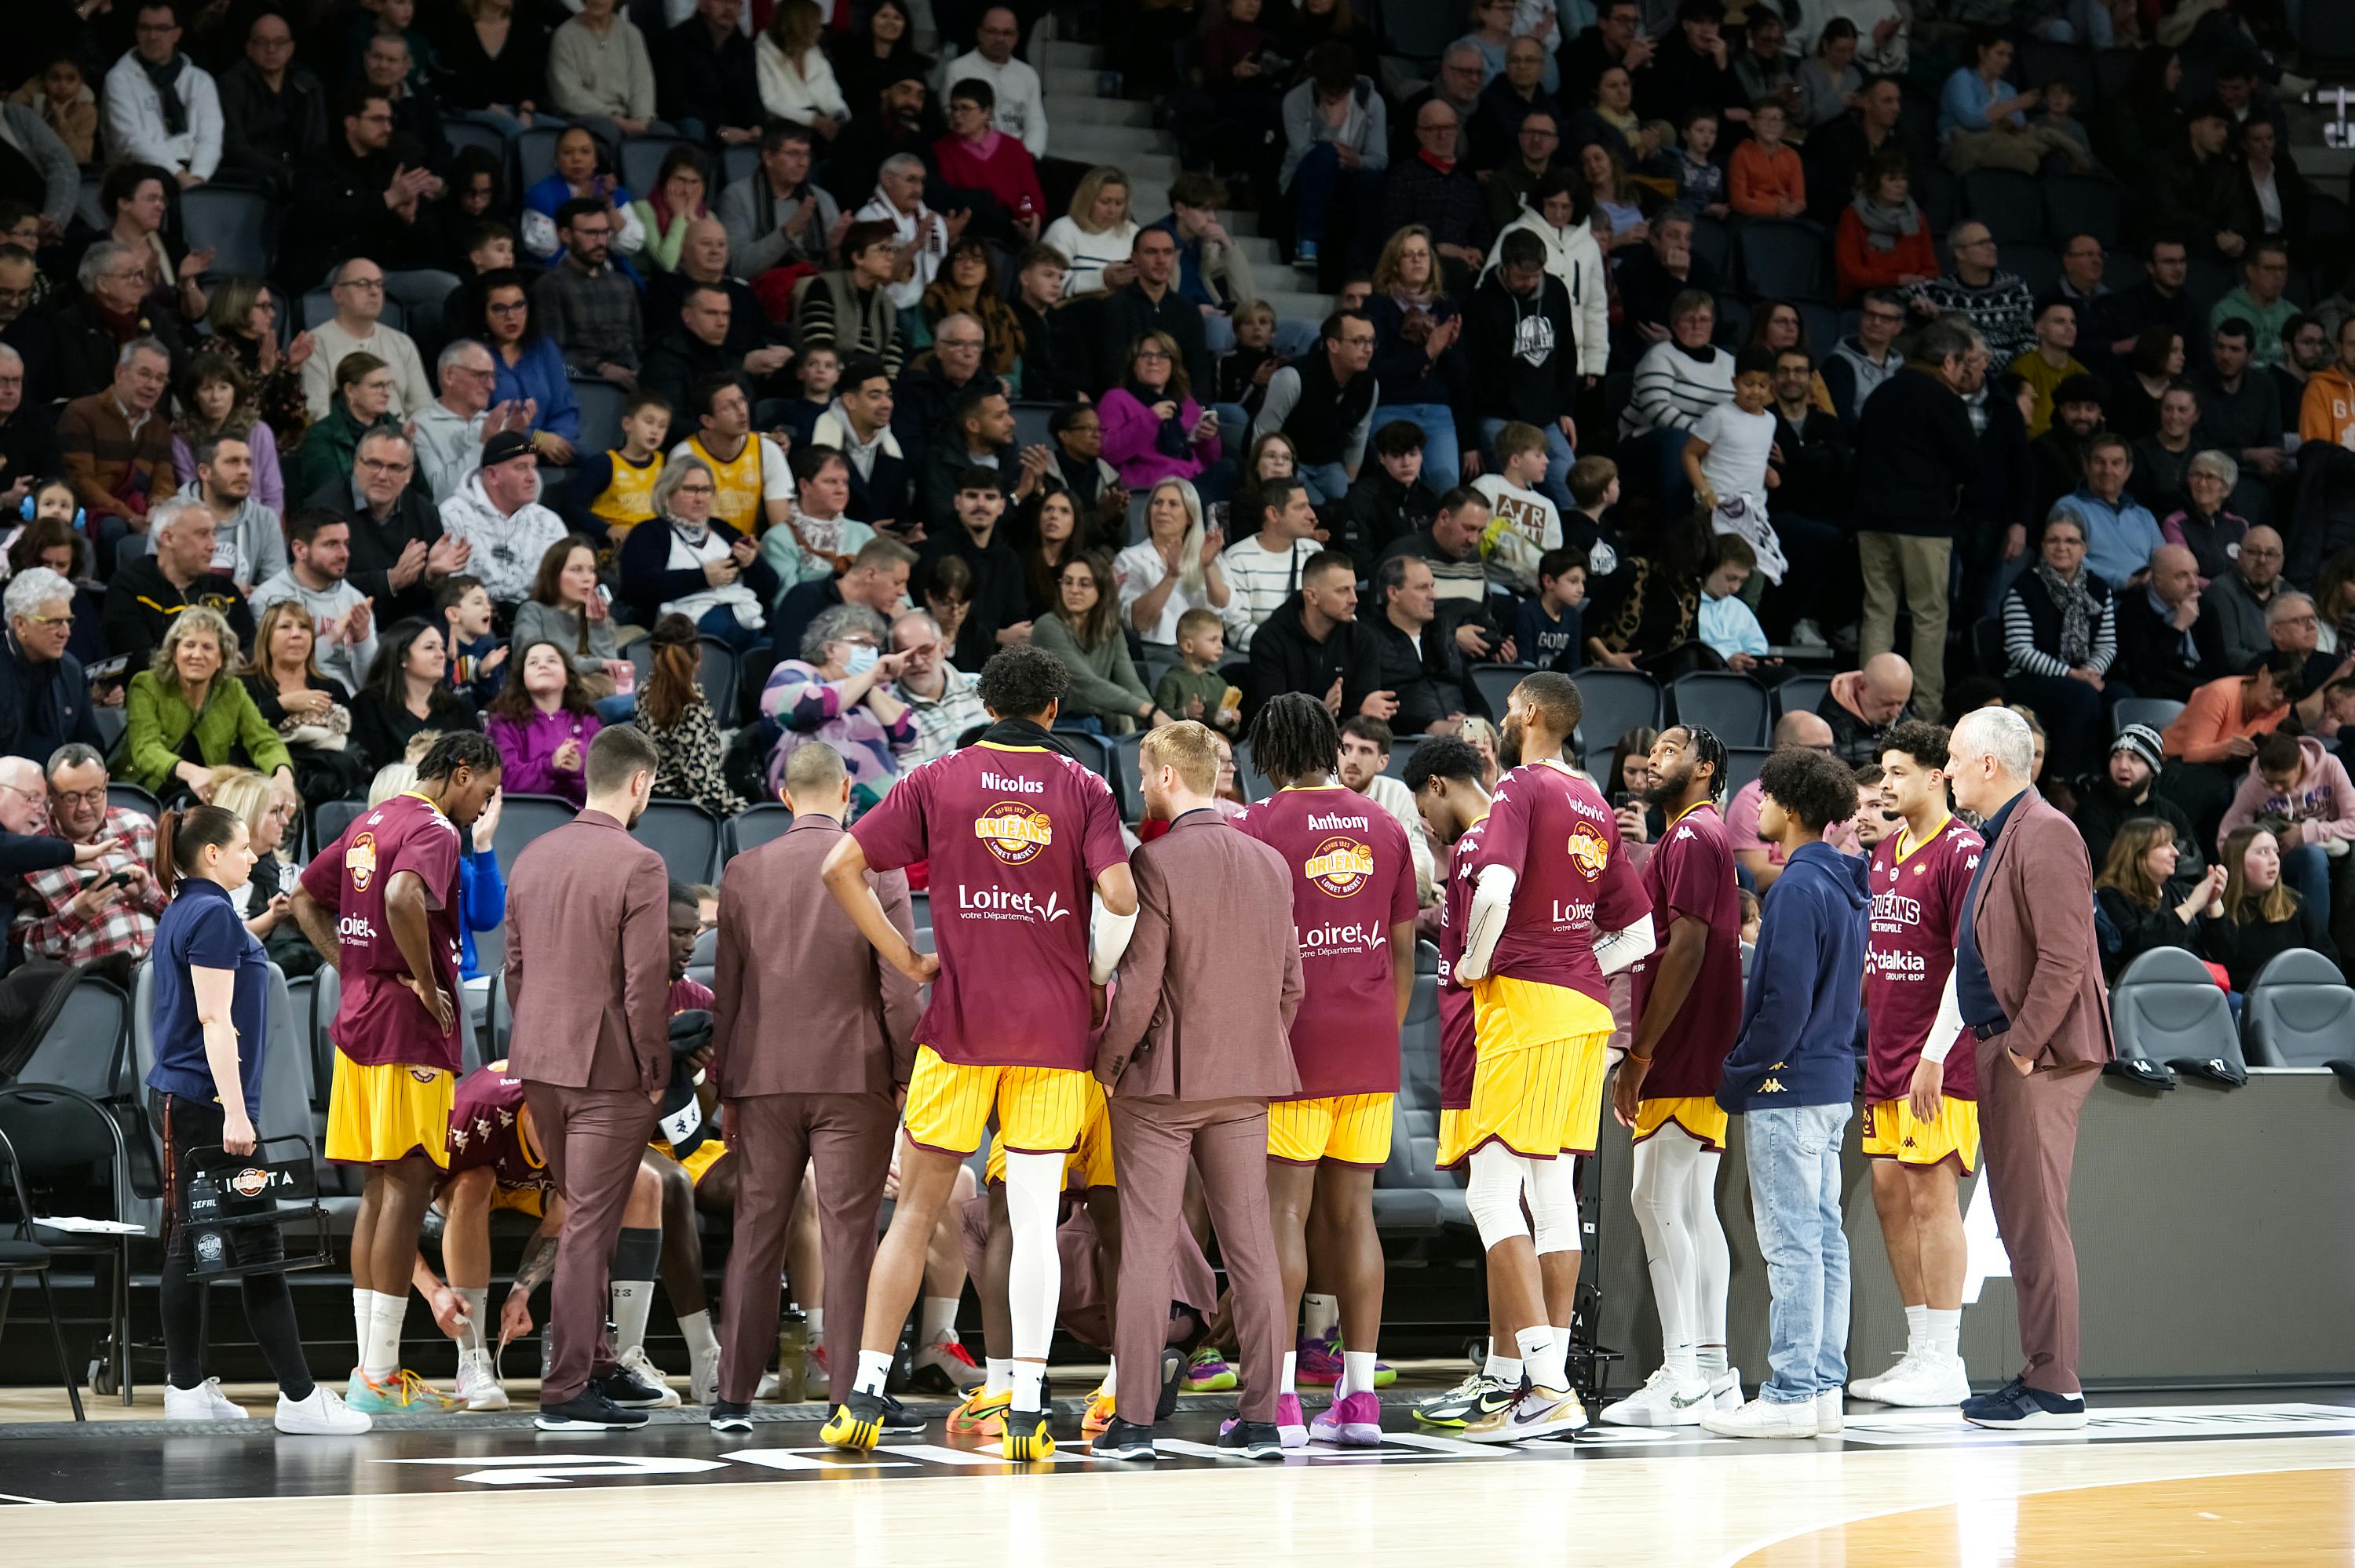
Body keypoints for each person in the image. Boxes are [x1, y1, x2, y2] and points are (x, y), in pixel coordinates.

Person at [817, 645, 1137, 1457]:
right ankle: (1026, 1409)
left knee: (915, 1212)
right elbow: (1122, 894)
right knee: (1031, 1223)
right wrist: (1095, 972)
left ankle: (862, 1396)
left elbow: (840, 866)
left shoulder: (936, 778)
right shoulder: (1086, 786)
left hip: (959, 1029)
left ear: (986, 706)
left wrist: (905, 958)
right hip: (1054, 1036)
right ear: (1055, 710)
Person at [1451, 673, 1652, 1442]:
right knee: (1554, 1193)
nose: (1504, 719)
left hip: (1528, 1009)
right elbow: (1639, 934)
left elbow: (1494, 888)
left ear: (1531, 714)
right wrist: (1577, 965)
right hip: (1585, 1014)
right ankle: (1542, 1383)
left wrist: (1474, 963)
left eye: (1509, 709)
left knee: (1491, 1195)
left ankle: (1547, 1384)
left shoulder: (1521, 787)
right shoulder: (1594, 801)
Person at [704, 738, 920, 1430]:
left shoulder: (744, 870)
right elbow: (899, 985)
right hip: (854, 1075)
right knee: (849, 1238)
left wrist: (728, 1089)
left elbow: (728, 992)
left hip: (763, 1077)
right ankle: (851, 1397)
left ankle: (732, 1397)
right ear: (848, 793)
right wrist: (905, 1073)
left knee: (756, 1233)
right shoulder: (876, 866)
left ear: (785, 797)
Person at [286, 730, 501, 1413]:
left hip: (358, 1023)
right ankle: (378, 1376)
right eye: (486, 790)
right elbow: (405, 896)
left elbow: (303, 899)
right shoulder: (434, 829)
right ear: (460, 772)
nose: (485, 805)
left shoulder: (372, 820)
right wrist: (427, 983)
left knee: (380, 1189)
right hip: (407, 1031)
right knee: (407, 1186)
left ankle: (368, 1373)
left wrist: (353, 969)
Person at [147, 801, 371, 1435]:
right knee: (257, 1245)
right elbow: (214, 1018)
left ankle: (186, 1388)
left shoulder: (190, 908)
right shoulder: (212, 916)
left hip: (187, 1101)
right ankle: (299, 1398)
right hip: (211, 1108)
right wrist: (237, 1114)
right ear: (212, 854)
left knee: (194, 1242)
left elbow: (229, 954)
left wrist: (268, 920)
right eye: (243, 847)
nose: (254, 857)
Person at [1228, 696, 1414, 1446]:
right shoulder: (1386, 825)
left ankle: (1279, 1400)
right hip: (1370, 1045)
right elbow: (1403, 948)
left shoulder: (1257, 824)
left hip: (1293, 1047)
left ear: (1270, 754)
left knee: (1283, 1216)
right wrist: (1378, 1034)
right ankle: (1360, 1400)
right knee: (1353, 1217)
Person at [1922, 706, 2112, 1428]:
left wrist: (2024, 1047)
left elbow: (2066, 957)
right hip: (2005, 1044)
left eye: (1953, 758)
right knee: (2020, 1220)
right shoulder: (2007, 832)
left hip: (2038, 1053)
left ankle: (2056, 1383)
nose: (1946, 770)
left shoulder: (2047, 832)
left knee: (2035, 1221)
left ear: (1988, 764)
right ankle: (2042, 1373)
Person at [497, 725, 672, 1429]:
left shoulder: (532, 854)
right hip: (608, 1067)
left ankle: (596, 1359)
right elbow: (645, 982)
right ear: (639, 782)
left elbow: (513, 968)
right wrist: (655, 1069)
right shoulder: (641, 863)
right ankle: (567, 1387)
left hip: (540, 1060)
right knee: (591, 1225)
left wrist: (541, 1033)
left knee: (583, 1212)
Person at [1703, 745, 1864, 1439]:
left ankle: (1792, 1392)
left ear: (1793, 810)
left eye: (1766, 796)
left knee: (1793, 1244)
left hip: (1788, 1085)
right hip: (1828, 1083)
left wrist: (1736, 1074)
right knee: (1823, 1241)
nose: (1757, 806)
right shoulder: (1842, 883)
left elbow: (1784, 1005)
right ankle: (1823, 1388)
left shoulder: (1797, 888)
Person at [1840, 721, 1985, 1410]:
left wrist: (1933, 1056)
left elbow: (1968, 963)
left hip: (1940, 1058)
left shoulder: (1962, 851)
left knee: (1932, 1200)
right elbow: (1881, 959)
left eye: (1899, 773)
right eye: (1884, 772)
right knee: (1891, 1199)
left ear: (1936, 777)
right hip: (1886, 1054)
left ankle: (1945, 1359)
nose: (1886, 784)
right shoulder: (1885, 852)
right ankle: (1919, 1350)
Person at [1598, 724, 1740, 1428]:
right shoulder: (1701, 835)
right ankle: (1711, 1371)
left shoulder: (1688, 837)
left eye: (1670, 751)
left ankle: (1681, 1370)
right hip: (1701, 1043)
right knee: (1689, 1206)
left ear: (1705, 766)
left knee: (1655, 1200)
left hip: (1681, 1045)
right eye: (1651, 752)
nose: (1655, 760)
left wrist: (1641, 1054)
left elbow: (1685, 949)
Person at [1853, 316, 1981, 721]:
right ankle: (1925, 707)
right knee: (1929, 615)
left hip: (1872, 518)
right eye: (1962, 364)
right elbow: (1970, 463)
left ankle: (1866, 705)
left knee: (1878, 610)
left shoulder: (1882, 393)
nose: (1964, 374)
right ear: (1948, 361)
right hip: (1924, 523)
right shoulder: (1945, 400)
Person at [117, 605, 297, 811]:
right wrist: (193, 773)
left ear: (221, 658)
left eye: (208, 647)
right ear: (174, 653)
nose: (197, 654)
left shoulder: (232, 690)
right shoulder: (146, 684)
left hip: (207, 797)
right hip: (146, 792)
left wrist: (283, 774)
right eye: (189, 645)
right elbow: (145, 747)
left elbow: (263, 739)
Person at [13, 742, 167, 976]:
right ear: (50, 793)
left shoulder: (140, 826)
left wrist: (149, 892)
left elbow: (188, 908)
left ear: (106, 782)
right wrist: (73, 916)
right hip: (95, 981)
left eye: (94, 794)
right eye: (71, 798)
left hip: (162, 968)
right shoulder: (34, 853)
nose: (84, 807)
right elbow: (21, 946)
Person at [1999, 516, 2121, 779]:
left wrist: (2091, 671)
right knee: (2081, 697)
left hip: (2082, 676)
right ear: (2043, 546)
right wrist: (2072, 674)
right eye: (2053, 540)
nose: (2061, 547)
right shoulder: (2024, 588)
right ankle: (2064, 780)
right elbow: (2021, 651)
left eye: (2070, 541)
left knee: (2119, 696)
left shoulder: (2099, 588)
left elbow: (2107, 644)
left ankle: (2112, 778)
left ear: (2084, 548)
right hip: (2029, 677)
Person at [762, 602, 916, 808]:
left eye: (875, 647)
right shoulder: (793, 672)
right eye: (862, 644)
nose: (871, 652)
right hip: (813, 812)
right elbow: (804, 710)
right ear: (830, 649)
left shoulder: (870, 687)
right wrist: (870, 676)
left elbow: (908, 735)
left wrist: (870, 685)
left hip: (880, 814)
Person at [617, 455, 777, 649]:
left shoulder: (724, 530)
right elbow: (638, 586)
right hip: (686, 634)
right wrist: (703, 578)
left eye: (706, 490)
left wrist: (752, 564)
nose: (699, 498)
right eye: (690, 490)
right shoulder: (649, 533)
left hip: (746, 622)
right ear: (667, 493)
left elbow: (770, 588)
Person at [2218, 730, 2355, 940]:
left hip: (2332, 846)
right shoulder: (2255, 783)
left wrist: (2306, 833)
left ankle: (2342, 947)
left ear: (2299, 763)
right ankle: (2316, 940)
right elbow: (2226, 835)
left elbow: (2352, 821)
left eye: (2282, 781)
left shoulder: (2330, 766)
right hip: (2284, 856)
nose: (2276, 788)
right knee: (2312, 856)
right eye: (2270, 782)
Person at [238, 595, 369, 807]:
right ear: (266, 636)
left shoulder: (332, 688)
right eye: (285, 627)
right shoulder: (245, 686)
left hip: (337, 782)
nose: (296, 634)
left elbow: (358, 744)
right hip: (272, 784)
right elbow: (238, 736)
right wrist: (282, 705)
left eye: (304, 627)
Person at [1033, 552, 1167, 735]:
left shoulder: (1111, 629)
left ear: (1102, 588)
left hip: (1097, 723)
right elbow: (1086, 683)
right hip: (1057, 726)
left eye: (1084, 584)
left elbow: (1130, 682)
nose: (1074, 590)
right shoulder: (1047, 626)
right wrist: (1149, 712)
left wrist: (1158, 721)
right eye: (1068, 582)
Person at [2202, 824, 2339, 990]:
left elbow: (2329, 963)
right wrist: (2215, 910)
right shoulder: (2217, 908)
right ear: (2238, 860)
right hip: (2244, 998)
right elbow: (2219, 968)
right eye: (2263, 852)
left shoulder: (2296, 904)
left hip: (2298, 995)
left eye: (2276, 852)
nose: (2274, 860)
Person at [2094, 819, 2223, 979]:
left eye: (2173, 844)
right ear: (2137, 853)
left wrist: (2213, 903)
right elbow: (2136, 944)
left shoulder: (2177, 891)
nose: (2176, 852)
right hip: (2144, 986)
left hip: (2193, 981)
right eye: (2164, 845)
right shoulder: (2110, 896)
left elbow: (2223, 956)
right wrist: (2190, 907)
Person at [2076, 724, 2203, 884]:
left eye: (2134, 759)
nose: (2123, 766)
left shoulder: (2170, 812)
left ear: (2153, 770)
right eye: (2116, 757)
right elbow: (2104, 868)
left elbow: (2192, 867)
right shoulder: (2092, 808)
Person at [1100, 330, 1224, 494]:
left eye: (1163, 355)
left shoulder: (1185, 402)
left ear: (1173, 364)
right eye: (1145, 355)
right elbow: (1107, 452)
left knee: (1229, 468)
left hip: (1192, 482)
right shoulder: (1116, 398)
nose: (1153, 361)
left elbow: (1210, 460)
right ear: (1133, 365)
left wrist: (1208, 439)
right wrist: (1150, 419)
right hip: (1152, 487)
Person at [0, 567, 102, 766]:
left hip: (60, 782)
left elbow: (89, 744)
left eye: (68, 621)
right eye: (54, 622)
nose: (65, 632)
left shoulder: (72, 671)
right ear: (20, 624)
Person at [513, 536, 630, 706]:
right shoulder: (533, 612)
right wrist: (599, 664)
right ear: (554, 574)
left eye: (591, 570)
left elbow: (611, 669)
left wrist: (598, 627)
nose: (587, 578)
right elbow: (541, 664)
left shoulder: (596, 616)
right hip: (547, 701)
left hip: (595, 699)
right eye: (576, 570)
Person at [352, 617, 479, 769]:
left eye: (442, 647)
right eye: (429, 647)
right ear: (402, 656)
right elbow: (368, 767)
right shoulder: (368, 704)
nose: (441, 655)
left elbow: (477, 763)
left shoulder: (459, 709)